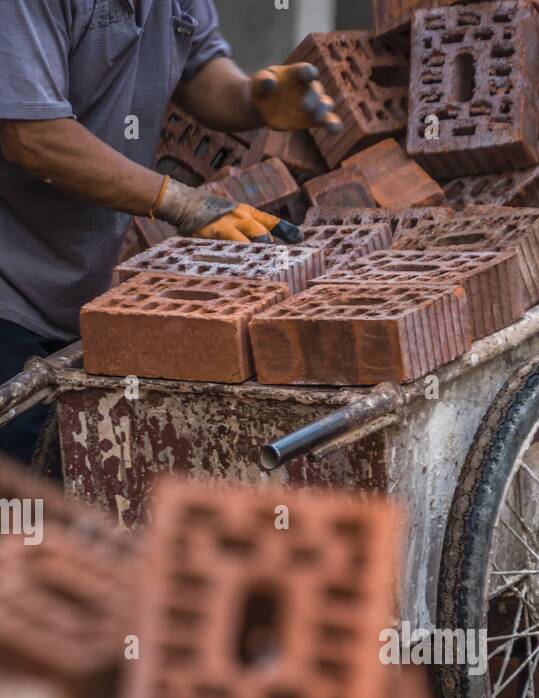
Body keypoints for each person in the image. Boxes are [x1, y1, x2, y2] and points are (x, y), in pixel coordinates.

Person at [0, 0, 339, 463]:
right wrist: (181, 203)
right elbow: (31, 135)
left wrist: (255, 100)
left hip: (80, 286)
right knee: (21, 503)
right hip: (10, 285)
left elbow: (200, 70)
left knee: (74, 480)